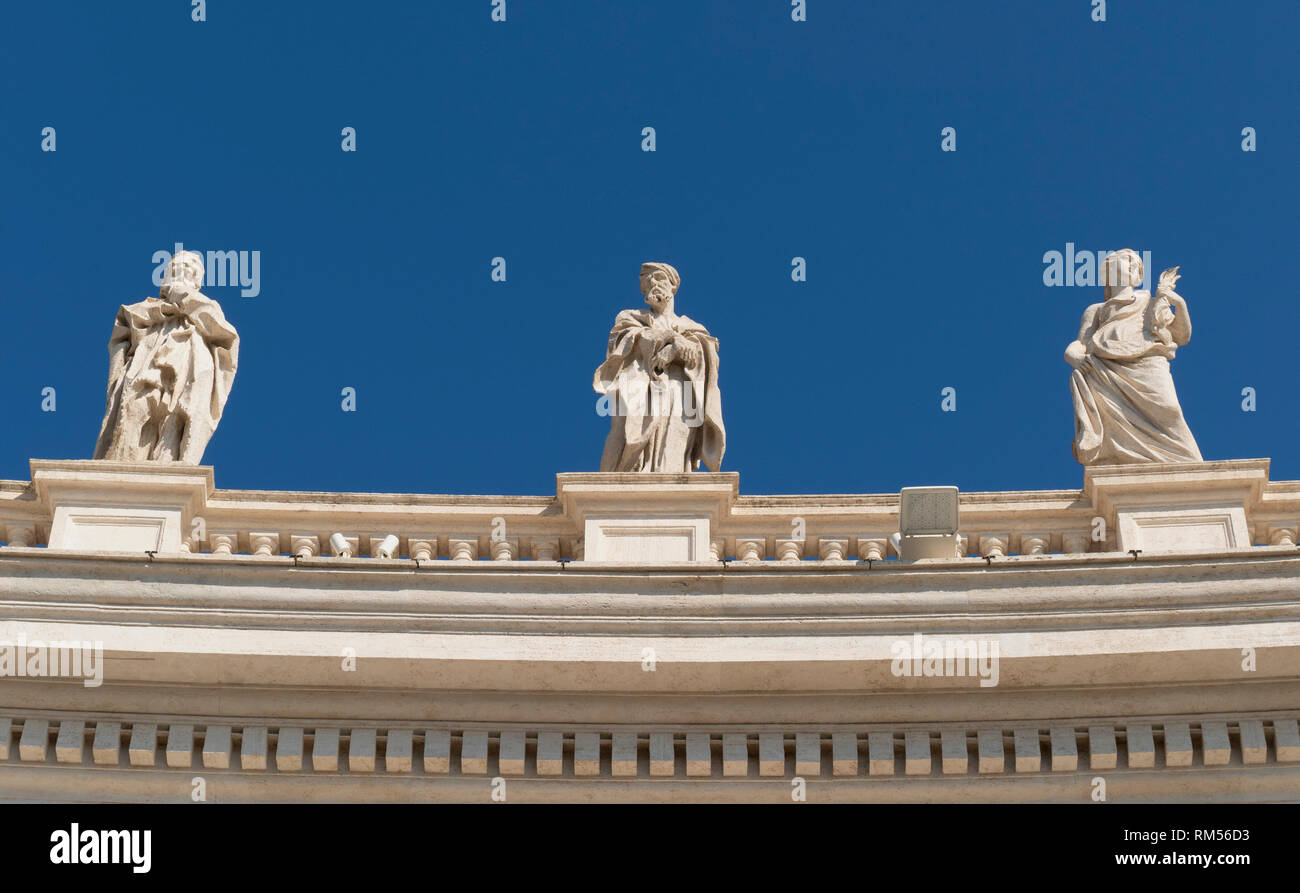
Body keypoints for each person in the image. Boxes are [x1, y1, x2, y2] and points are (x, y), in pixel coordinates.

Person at [94, 251, 240, 464]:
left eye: (192, 266)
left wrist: (182, 296)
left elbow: (223, 333)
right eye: (179, 264)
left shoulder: (207, 307)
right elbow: (121, 343)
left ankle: (167, 473)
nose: (185, 268)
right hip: (147, 365)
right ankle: (120, 471)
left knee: (175, 420)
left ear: (198, 281)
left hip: (188, 367)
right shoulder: (143, 309)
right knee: (133, 411)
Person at [1065, 248, 1201, 465]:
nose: (1132, 266)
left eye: (1136, 265)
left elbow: (1181, 336)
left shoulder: (1149, 301)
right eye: (1126, 261)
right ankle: (1120, 457)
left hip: (1147, 362)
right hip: (1105, 369)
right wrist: (1073, 355)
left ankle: (1186, 462)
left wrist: (1179, 304)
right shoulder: (1096, 310)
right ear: (1108, 271)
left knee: (1169, 409)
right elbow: (1081, 343)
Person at [594, 262, 725, 472]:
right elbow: (627, 343)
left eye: (660, 278)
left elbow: (707, 357)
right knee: (629, 439)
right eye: (648, 281)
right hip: (642, 391)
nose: (654, 283)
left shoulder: (693, 328)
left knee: (674, 441)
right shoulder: (630, 318)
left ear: (673, 286)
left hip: (680, 392)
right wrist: (673, 339)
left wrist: (676, 350)